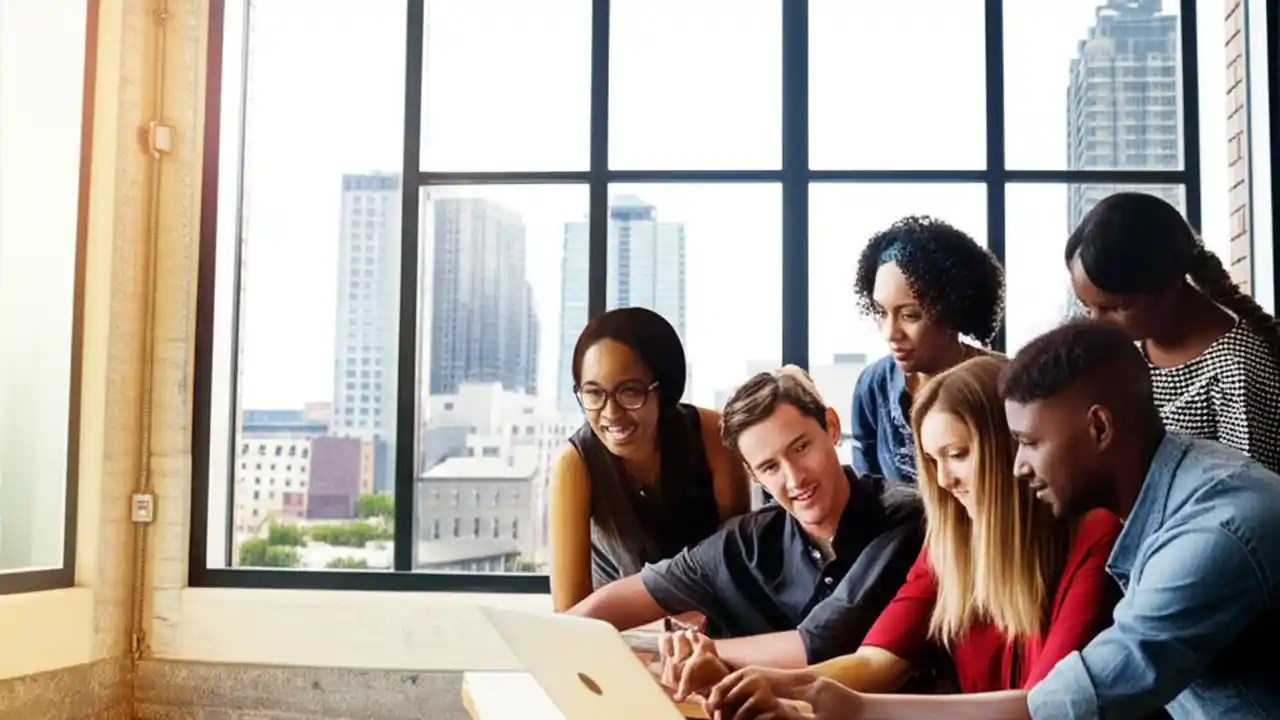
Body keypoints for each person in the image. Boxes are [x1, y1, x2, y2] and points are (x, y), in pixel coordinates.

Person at [703, 320, 1280, 720]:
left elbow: (1065, 704)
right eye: (934, 462)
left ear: (1097, 429)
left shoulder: (1202, 533)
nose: (1019, 462)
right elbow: (883, 656)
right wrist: (784, 686)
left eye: (1024, 442)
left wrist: (855, 707)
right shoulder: (961, 535)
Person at [669, 356, 1119, 702]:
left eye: (958, 454)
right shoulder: (949, 542)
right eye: (933, 461)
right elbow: (877, 661)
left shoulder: (1092, 535)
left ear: (1010, 445)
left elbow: (1039, 708)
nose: (944, 481)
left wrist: (787, 688)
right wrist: (764, 683)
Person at [565, 366, 924, 670]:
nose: (795, 478)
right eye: (770, 466)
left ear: (830, 426)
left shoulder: (904, 518)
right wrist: (556, 638)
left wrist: (703, 653)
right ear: (754, 475)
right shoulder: (745, 542)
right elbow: (633, 594)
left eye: (801, 447)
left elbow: (822, 643)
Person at [548, 307, 751, 611]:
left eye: (630, 392)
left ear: (662, 388)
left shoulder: (714, 436)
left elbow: (739, 567)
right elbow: (569, 611)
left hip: (715, 628)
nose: (611, 413)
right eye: (593, 394)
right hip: (619, 633)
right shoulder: (574, 463)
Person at [1066, 191, 1280, 473]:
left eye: (1115, 307)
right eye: (1087, 306)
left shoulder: (1238, 368)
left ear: (1169, 286)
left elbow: (1252, 502)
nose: (1096, 322)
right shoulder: (1129, 349)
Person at [850, 216, 1004, 484]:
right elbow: (869, 495)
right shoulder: (874, 387)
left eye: (909, 315)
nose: (890, 333)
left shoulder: (1003, 383)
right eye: (881, 313)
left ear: (952, 312)